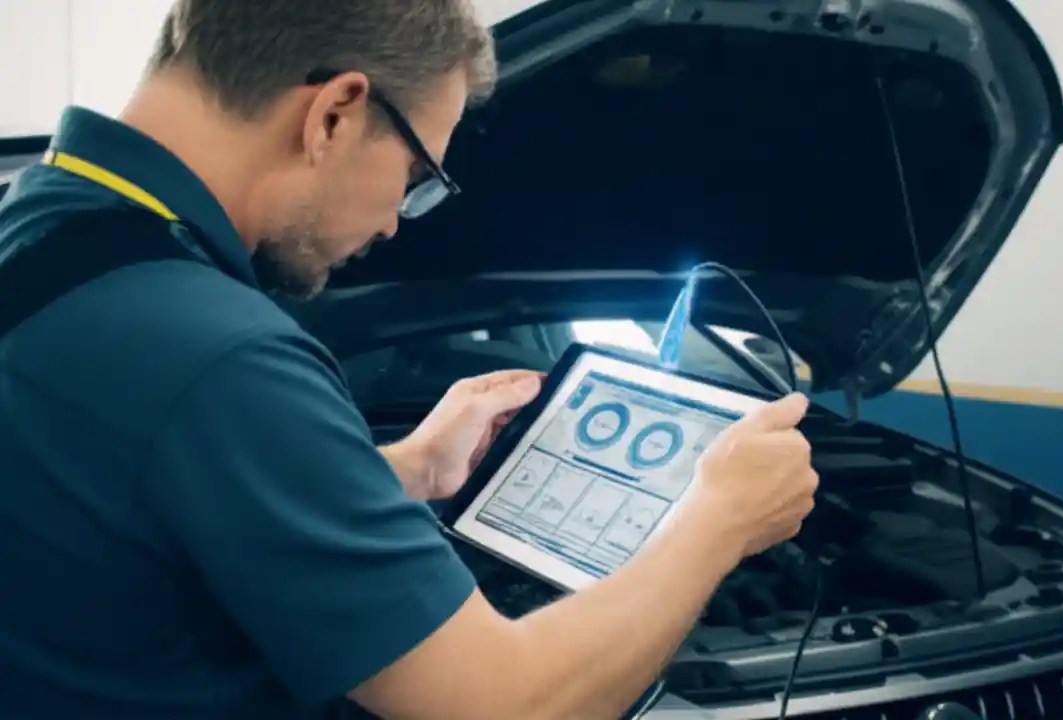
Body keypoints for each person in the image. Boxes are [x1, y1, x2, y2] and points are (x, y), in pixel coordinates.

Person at [0, 1, 820, 718]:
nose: (397, 222)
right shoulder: (221, 355)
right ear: (336, 113)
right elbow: (510, 706)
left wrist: (410, 468)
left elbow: (136, 495)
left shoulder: (40, 228)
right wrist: (718, 521)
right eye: (419, 173)